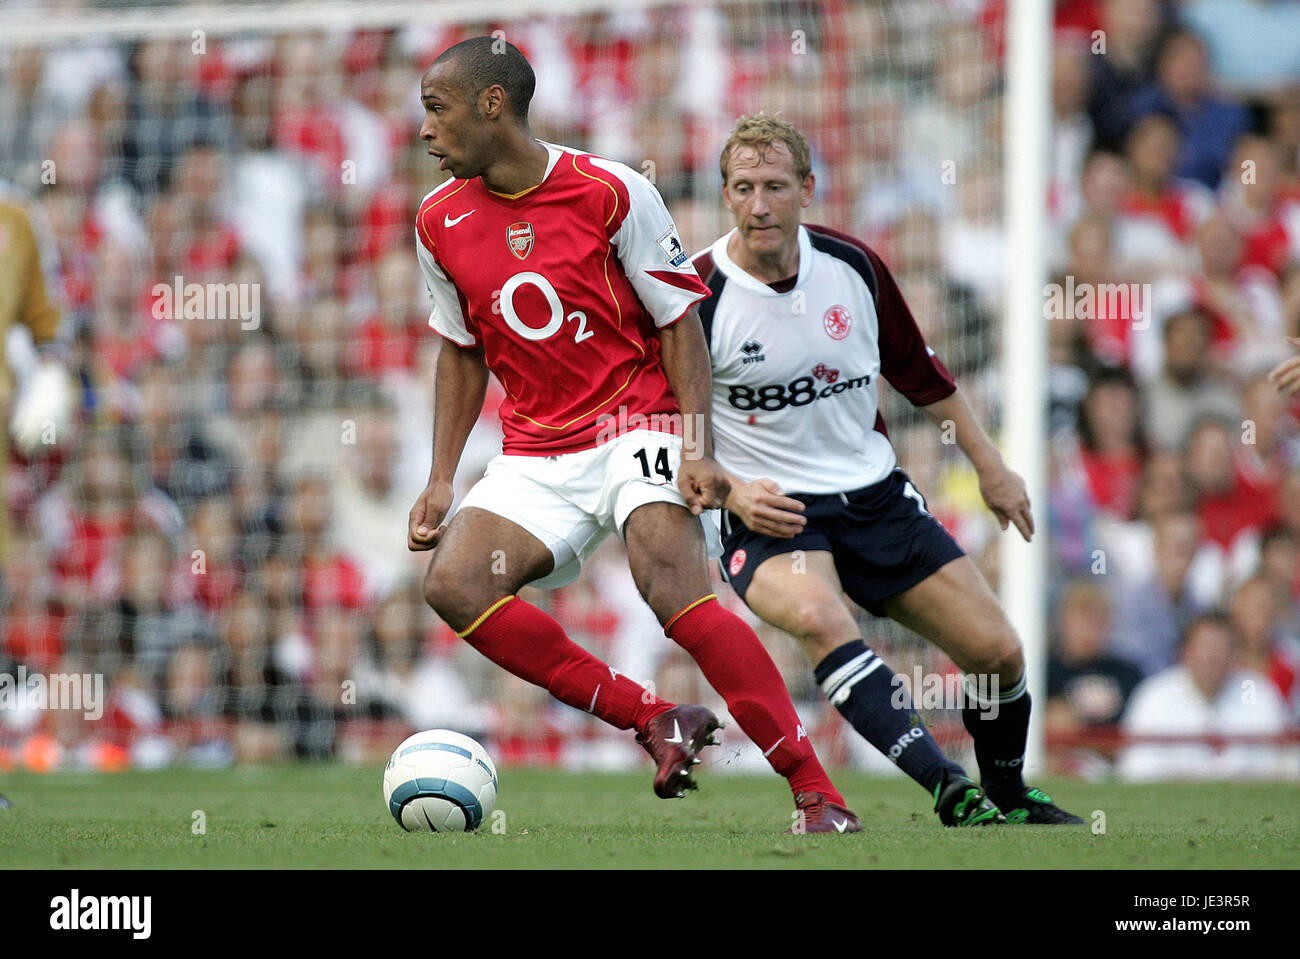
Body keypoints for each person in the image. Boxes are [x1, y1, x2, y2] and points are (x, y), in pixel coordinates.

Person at [405, 39, 857, 832]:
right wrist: (443, 475)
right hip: (536, 447)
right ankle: (653, 718)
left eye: (436, 110)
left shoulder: (611, 191)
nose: (424, 132)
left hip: (634, 418)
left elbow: (679, 322)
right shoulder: (437, 220)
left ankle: (815, 788)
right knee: (455, 583)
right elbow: (460, 346)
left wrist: (696, 444)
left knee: (670, 584)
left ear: (492, 105)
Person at [693, 113, 1084, 824]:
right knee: (819, 614)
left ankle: (1007, 792)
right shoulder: (695, 296)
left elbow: (921, 374)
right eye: (743, 187)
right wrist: (731, 490)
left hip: (875, 498)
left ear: (807, 189)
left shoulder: (855, 267)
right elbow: (668, 430)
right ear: (725, 195)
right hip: (772, 512)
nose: (759, 205)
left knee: (997, 650)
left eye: (775, 186)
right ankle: (946, 785)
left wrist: (990, 465)